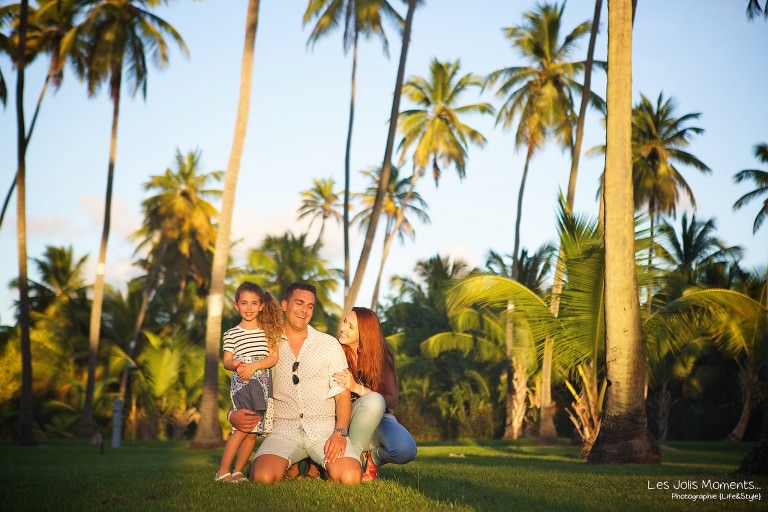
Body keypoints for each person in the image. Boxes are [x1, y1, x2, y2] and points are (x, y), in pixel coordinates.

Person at [229, 283, 361, 484]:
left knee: (350, 478)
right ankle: (294, 462)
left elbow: (342, 394)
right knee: (262, 478)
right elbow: (244, 381)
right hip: (283, 430)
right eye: (299, 303)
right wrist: (232, 414)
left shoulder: (328, 344)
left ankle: (317, 464)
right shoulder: (266, 342)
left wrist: (340, 432)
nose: (304, 310)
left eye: (310, 306)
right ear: (284, 304)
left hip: (323, 430)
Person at [333, 307, 417, 480]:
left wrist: (357, 388)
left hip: (376, 416)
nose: (343, 328)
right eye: (345, 322)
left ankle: (371, 458)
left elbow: (392, 400)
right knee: (373, 400)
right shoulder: (334, 350)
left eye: (351, 327)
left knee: (406, 449)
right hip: (343, 418)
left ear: (364, 333)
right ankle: (353, 464)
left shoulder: (381, 356)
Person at [215, 282, 282, 482]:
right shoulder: (231, 334)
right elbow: (226, 361)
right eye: (244, 303)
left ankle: (237, 471)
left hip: (261, 385)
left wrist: (255, 366)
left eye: (254, 303)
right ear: (236, 306)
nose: (249, 308)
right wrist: (237, 364)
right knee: (242, 428)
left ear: (261, 305)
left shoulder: (267, 331)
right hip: (243, 385)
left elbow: (273, 358)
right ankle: (222, 471)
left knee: (253, 432)